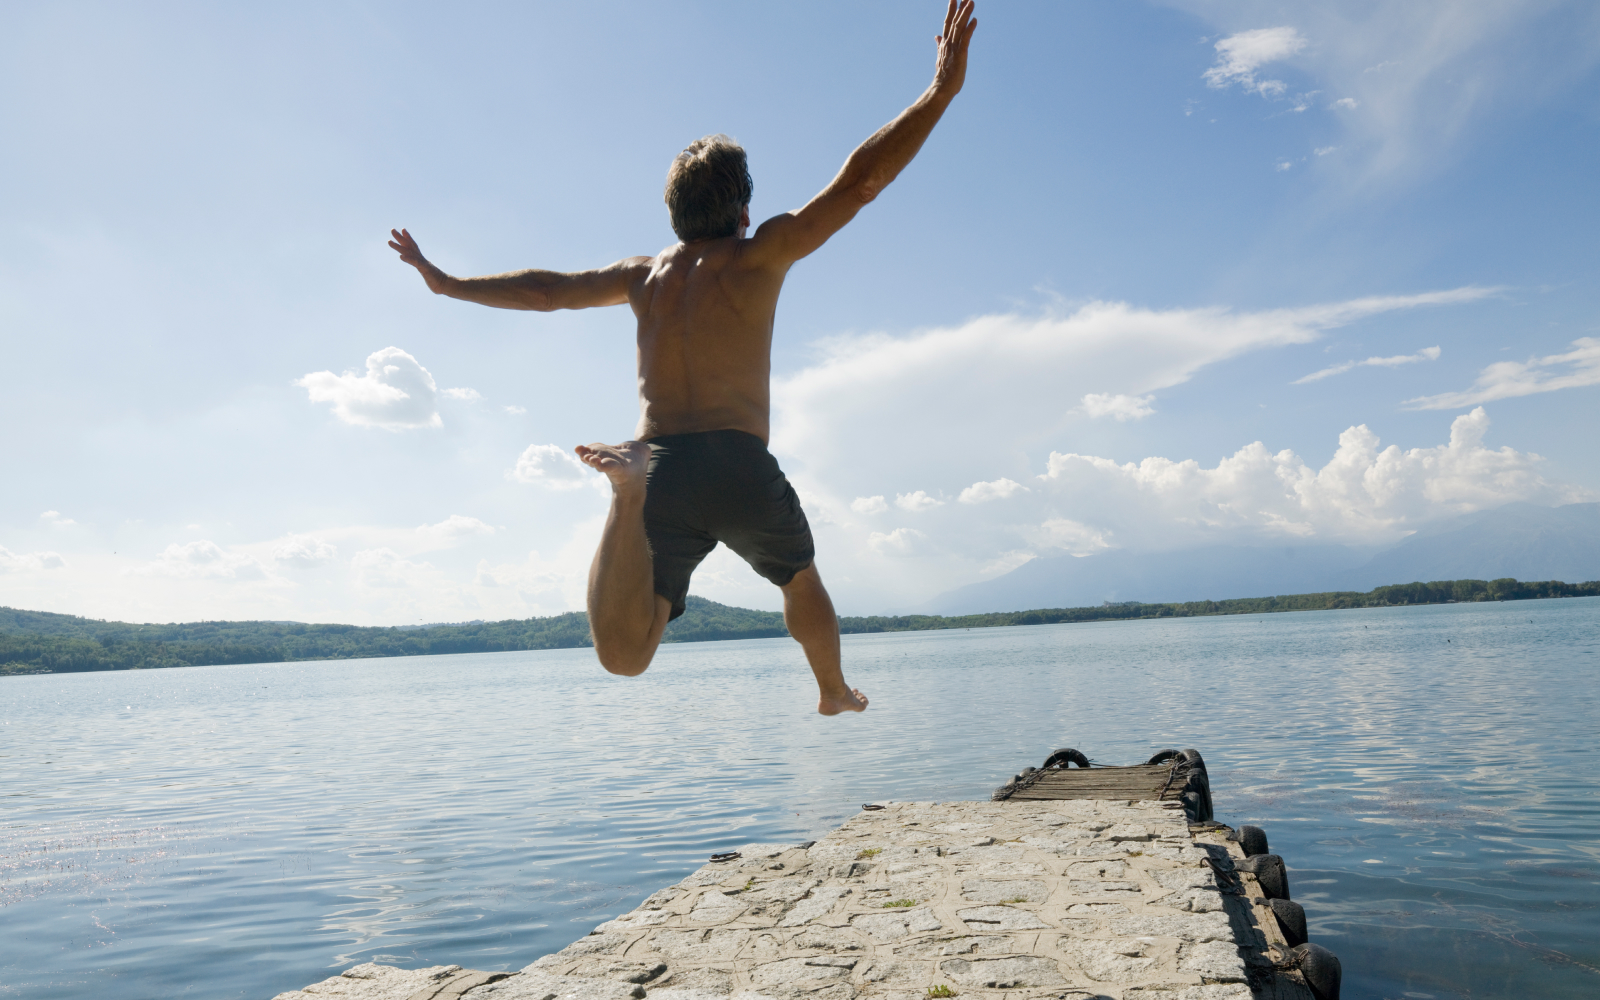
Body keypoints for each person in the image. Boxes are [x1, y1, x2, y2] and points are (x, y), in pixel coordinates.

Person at [389, 1, 977, 715]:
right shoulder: (763, 252)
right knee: (799, 578)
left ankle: (624, 494)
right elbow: (860, 182)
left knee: (626, 655)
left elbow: (547, 294)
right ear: (742, 210)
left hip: (659, 461)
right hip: (737, 459)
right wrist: (939, 92)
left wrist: (448, 283)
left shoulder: (645, 275)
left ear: (674, 214)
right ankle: (831, 691)